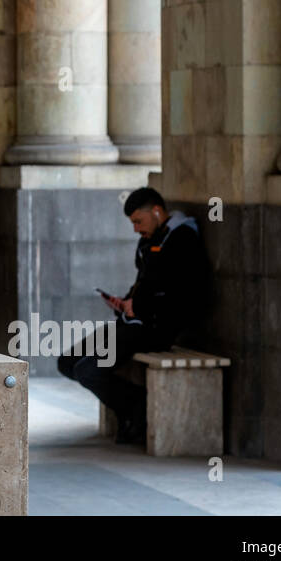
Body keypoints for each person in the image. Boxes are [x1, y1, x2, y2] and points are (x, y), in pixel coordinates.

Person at [57, 187, 208, 445]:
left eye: (139, 221)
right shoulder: (149, 241)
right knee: (67, 362)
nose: (136, 229)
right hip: (133, 323)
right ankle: (133, 406)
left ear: (157, 211)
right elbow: (144, 283)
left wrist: (140, 307)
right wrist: (126, 302)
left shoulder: (182, 237)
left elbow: (184, 295)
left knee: (88, 370)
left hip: (158, 329)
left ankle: (136, 407)